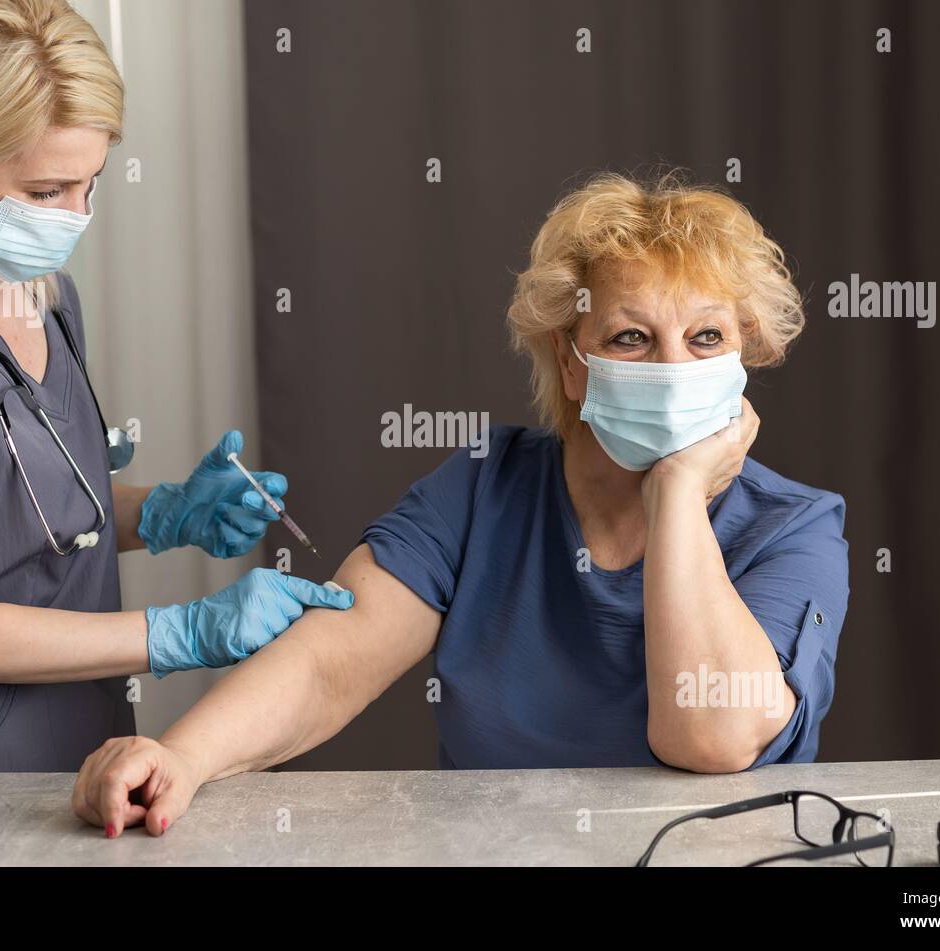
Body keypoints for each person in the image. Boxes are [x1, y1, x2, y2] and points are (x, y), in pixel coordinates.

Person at [72, 172, 851, 838]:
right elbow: (330, 664)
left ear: (742, 359)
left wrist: (677, 493)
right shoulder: (484, 488)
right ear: (570, 362)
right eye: (632, 338)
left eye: (707, 337)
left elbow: (708, 735)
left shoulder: (796, 529)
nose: (675, 366)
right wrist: (182, 757)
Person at [0, 0, 349, 773]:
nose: (77, 219)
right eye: (48, 192)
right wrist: (183, 631)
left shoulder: (41, 296)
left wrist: (162, 511)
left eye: (92, 183)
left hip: (77, 761)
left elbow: (14, 520)